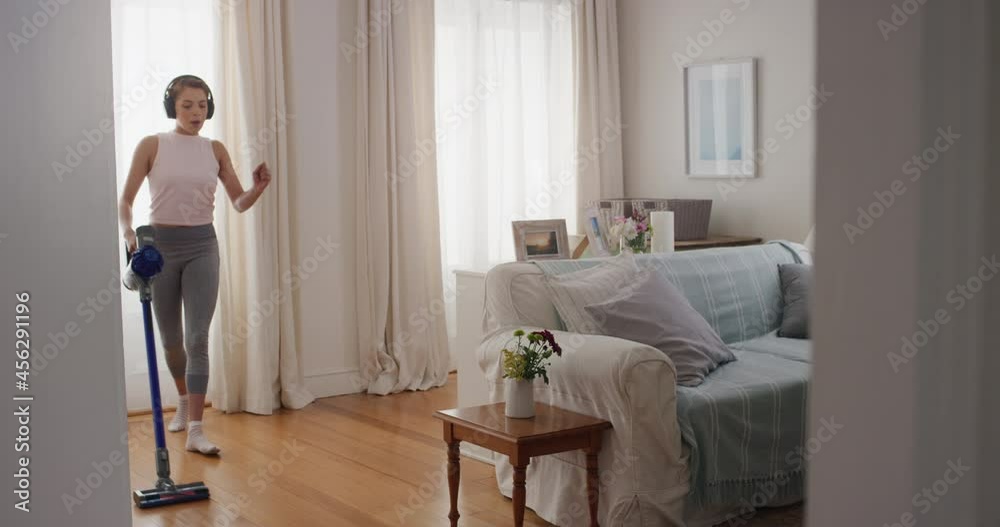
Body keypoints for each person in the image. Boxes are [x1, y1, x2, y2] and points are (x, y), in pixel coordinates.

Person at [118, 75, 271, 455]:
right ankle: (184, 401)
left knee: (197, 337)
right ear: (173, 107)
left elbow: (238, 202)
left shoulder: (215, 149)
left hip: (203, 246)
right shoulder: (152, 145)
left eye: (202, 105)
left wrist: (257, 188)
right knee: (171, 342)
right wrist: (127, 233)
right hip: (160, 250)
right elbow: (125, 201)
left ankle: (197, 430)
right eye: (187, 105)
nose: (196, 113)